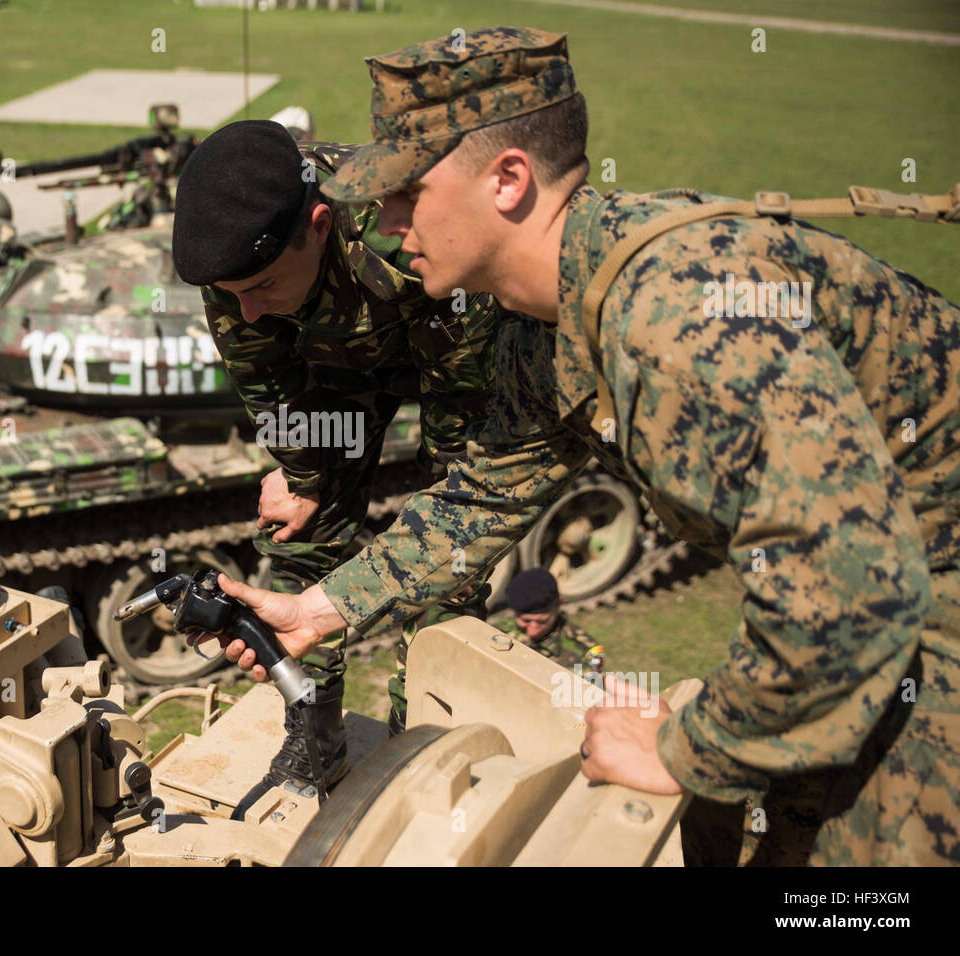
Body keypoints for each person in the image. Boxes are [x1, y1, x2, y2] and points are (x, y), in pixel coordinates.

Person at [206, 26, 960, 865]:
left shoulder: (679, 321)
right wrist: (317, 610)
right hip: (889, 581)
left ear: (509, 180)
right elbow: (486, 493)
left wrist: (685, 748)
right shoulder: (546, 322)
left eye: (406, 193)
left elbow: (848, 594)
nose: (380, 220)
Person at [170, 119, 504, 816]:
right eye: (232, 294)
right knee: (301, 531)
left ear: (319, 226)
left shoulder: (411, 228)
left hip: (447, 361)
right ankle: (314, 731)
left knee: (447, 559)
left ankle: (425, 738)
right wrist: (301, 473)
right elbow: (264, 376)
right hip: (339, 372)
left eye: (259, 286)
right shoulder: (234, 255)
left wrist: (446, 513)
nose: (246, 306)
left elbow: (462, 403)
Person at [498, 567, 600, 669]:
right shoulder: (497, 631)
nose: (533, 632)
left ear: (559, 604)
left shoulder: (585, 649)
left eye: (542, 621)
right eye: (526, 621)